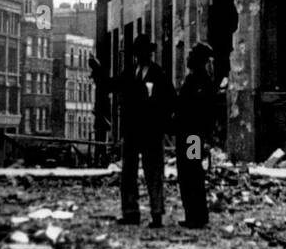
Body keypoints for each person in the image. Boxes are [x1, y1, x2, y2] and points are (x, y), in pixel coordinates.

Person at [91, 33, 175, 227]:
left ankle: (156, 214)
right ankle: (130, 212)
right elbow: (110, 85)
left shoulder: (159, 74)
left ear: (149, 53)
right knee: (128, 172)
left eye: (143, 52)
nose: (140, 55)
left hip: (151, 132)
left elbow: (170, 101)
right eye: (138, 52)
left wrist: (160, 123)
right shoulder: (130, 73)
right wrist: (98, 72)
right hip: (131, 131)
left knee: (153, 173)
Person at [175, 42, 215, 229]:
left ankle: (196, 215)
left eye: (192, 54)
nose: (188, 57)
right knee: (188, 172)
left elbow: (201, 111)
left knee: (191, 172)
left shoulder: (200, 80)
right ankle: (194, 213)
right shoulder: (197, 78)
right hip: (188, 134)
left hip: (192, 135)